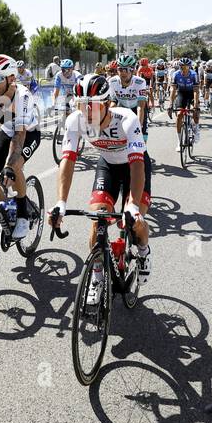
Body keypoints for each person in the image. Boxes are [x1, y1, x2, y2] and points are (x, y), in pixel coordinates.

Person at [49, 72, 153, 300]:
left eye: (92, 105)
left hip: (134, 166)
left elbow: (137, 165)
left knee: (135, 223)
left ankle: (143, 251)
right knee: (98, 219)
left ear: (107, 103)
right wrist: (61, 202)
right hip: (108, 165)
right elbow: (67, 161)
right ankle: (96, 276)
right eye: (81, 104)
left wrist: (133, 205)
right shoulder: (75, 120)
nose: (86, 111)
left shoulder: (127, 119)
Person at [0, 54, 40, 240]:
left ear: (11, 78)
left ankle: (22, 215)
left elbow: (20, 135)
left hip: (28, 133)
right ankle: (7, 209)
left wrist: (10, 167)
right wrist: (0, 120)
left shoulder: (23, 95)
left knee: (15, 165)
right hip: (5, 130)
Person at [109, 54, 150, 136]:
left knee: (141, 136)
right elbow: (113, 102)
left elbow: (140, 107)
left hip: (136, 107)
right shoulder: (112, 81)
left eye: (127, 69)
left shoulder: (140, 82)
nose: (123, 72)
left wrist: (138, 126)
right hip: (122, 107)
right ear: (117, 70)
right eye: (120, 69)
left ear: (133, 71)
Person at [169, 56, 199, 141]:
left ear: (189, 67)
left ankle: (196, 129)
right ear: (179, 66)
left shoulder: (194, 74)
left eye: (186, 66)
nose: (184, 68)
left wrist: (196, 105)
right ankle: (179, 141)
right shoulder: (176, 74)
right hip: (181, 94)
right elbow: (173, 90)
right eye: (182, 66)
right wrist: (170, 104)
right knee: (179, 115)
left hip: (191, 93)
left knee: (195, 113)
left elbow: (196, 91)